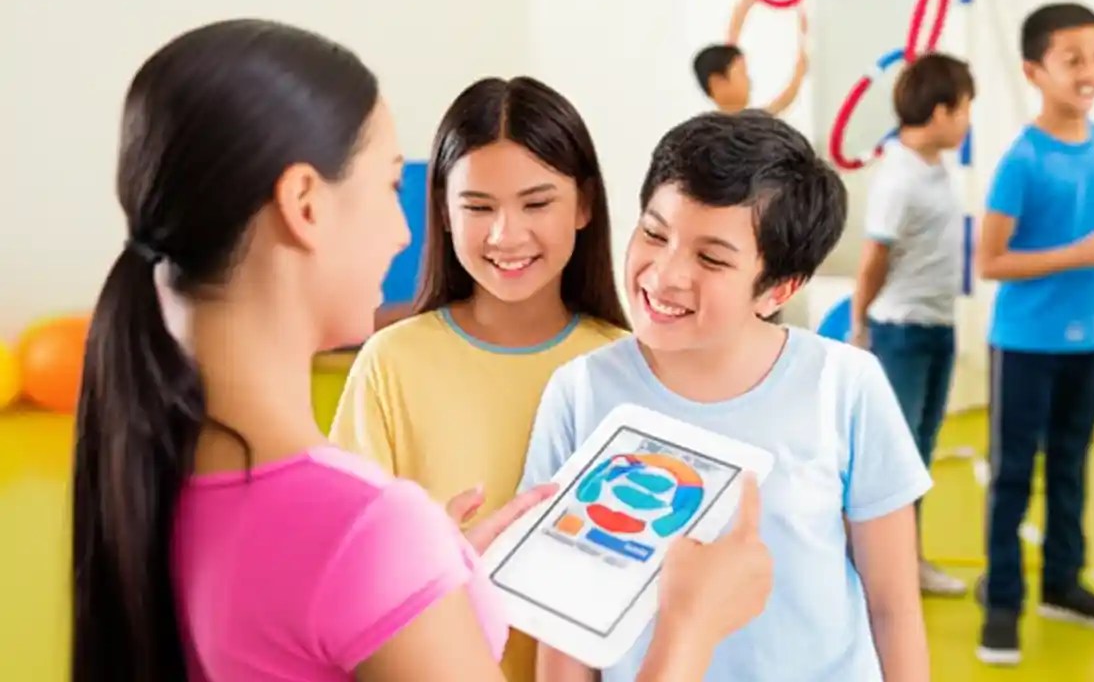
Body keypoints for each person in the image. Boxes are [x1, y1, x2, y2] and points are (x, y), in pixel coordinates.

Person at [69, 18, 774, 682]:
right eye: (387, 185)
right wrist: (689, 629)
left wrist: (434, 583)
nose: (404, 234)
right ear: (305, 203)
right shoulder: (367, 525)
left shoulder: (156, 474)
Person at [522, 111, 932, 682]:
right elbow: (564, 627)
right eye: (654, 233)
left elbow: (894, 607)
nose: (664, 276)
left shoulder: (845, 386)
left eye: (711, 258)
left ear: (779, 288)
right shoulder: (580, 392)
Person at [327, 76, 630, 682]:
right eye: (478, 207)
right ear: (443, 210)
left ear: (585, 205)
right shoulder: (392, 364)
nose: (506, 235)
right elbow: (341, 581)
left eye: (536, 203)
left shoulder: (629, 366)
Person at [974, 2, 1094, 667]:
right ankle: (1001, 600)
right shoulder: (1021, 161)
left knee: (1074, 469)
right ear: (1035, 70)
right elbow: (990, 261)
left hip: (1089, 341)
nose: (1090, 72)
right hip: (1024, 344)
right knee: (1013, 476)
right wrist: (1082, 253)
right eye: (1072, 59)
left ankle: (1062, 584)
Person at [852, 51, 975, 598]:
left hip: (937, 327)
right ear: (942, 111)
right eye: (966, 107)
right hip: (900, 331)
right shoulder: (897, 177)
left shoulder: (934, 167)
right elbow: (874, 258)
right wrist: (860, 324)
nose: (968, 120)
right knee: (895, 458)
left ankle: (907, 560)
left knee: (919, 455)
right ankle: (881, 569)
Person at [692, 0, 808, 116]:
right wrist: (799, 71)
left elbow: (732, 42)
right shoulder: (746, 121)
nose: (749, 81)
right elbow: (783, 101)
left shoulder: (751, 119)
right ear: (717, 83)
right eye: (742, 74)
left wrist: (746, 4)